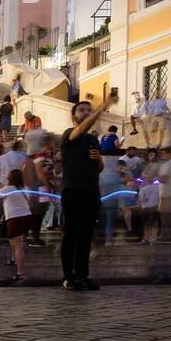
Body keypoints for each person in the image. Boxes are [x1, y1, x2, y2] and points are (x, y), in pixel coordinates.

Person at [59, 93, 118, 290]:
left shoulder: (93, 140)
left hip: (92, 192)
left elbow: (98, 168)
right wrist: (102, 107)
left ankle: (83, 276)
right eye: (81, 110)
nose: (86, 113)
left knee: (86, 236)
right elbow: (80, 130)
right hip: (73, 191)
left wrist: (100, 160)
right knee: (72, 235)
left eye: (88, 110)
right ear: (74, 116)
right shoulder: (69, 133)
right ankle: (69, 277)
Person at [0, 168, 32, 284]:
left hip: (14, 217)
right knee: (12, 239)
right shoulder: (25, 188)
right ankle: (13, 259)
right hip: (26, 216)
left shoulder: (7, 189)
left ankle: (21, 274)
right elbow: (29, 200)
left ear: (10, 178)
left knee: (18, 246)